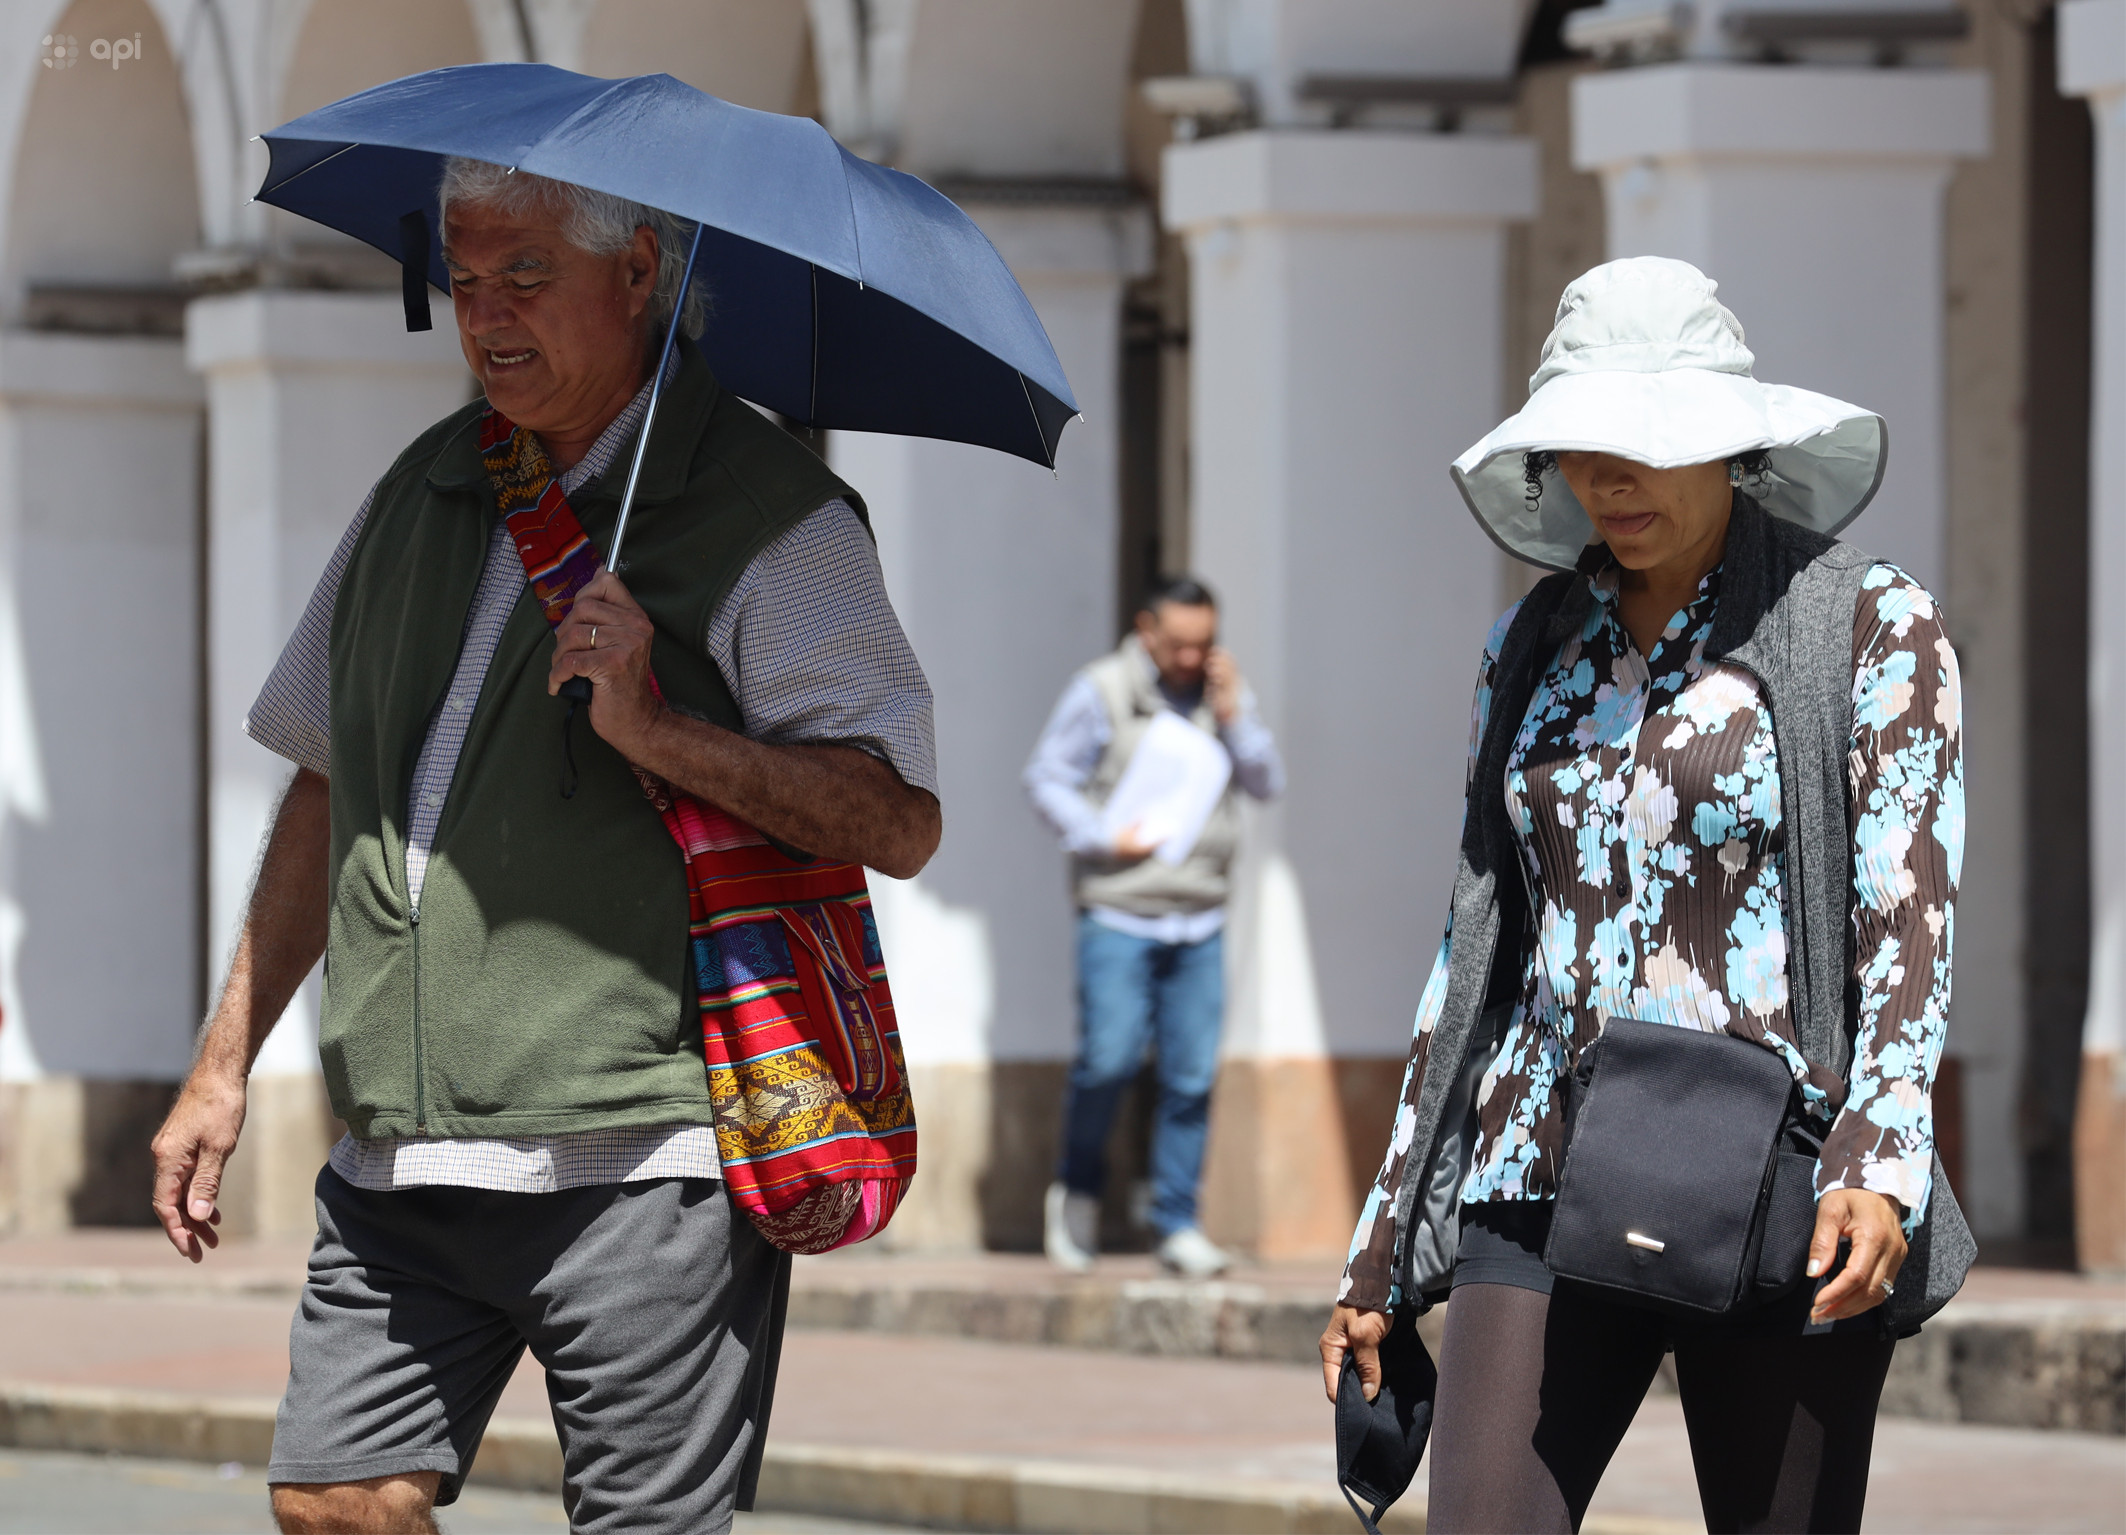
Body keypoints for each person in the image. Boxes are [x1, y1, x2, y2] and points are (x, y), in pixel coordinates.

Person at [148, 159, 939, 1535]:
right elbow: (329, 787)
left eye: (526, 275)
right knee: (335, 1497)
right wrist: (223, 1066)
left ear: (641, 274)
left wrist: (660, 726)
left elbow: (896, 817)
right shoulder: (424, 485)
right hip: (399, 1153)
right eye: (462, 277)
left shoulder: (769, 511)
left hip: (648, 1155)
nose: (486, 314)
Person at [1318, 257, 1973, 1534]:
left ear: (1728, 443)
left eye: (1642, 442)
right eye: (1576, 446)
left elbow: (1909, 916)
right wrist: (1385, 1239)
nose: (1603, 479)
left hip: (1781, 1182)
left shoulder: (1867, 624)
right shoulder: (1530, 644)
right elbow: (1472, 947)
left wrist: (1880, 1161)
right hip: (1536, 1164)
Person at [1023, 577, 1283, 1278]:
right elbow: (1046, 775)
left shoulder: (1223, 693)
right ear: (1146, 630)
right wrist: (1103, 834)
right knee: (1107, 1061)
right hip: (1119, 912)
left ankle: (1177, 1222)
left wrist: (1234, 714)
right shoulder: (1101, 689)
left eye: (1204, 643)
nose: (1192, 657)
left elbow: (1265, 780)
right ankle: (1077, 1194)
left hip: (1199, 915)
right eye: (1179, 644)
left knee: (1191, 1075)